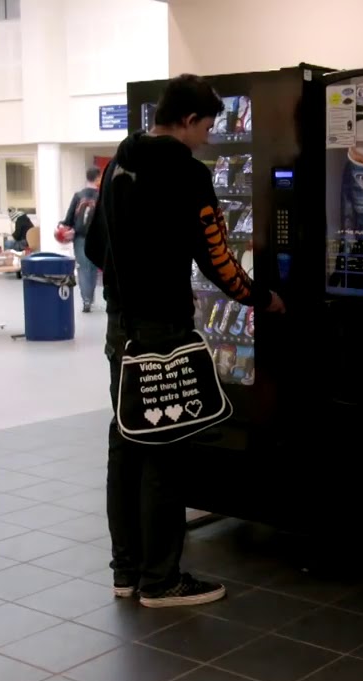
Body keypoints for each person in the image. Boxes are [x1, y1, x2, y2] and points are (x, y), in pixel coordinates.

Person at [85, 74, 285, 608]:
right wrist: (262, 299)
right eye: (208, 127)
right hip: (164, 333)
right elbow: (217, 260)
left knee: (126, 444)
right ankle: (162, 580)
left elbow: (96, 248)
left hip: (121, 331)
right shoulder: (188, 173)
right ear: (190, 120)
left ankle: (127, 572)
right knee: (165, 453)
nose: (209, 137)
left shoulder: (118, 164)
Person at [61, 167, 102, 312]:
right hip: (96, 238)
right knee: (93, 268)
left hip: (79, 237)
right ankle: (90, 296)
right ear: (98, 178)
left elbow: (69, 218)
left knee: (83, 269)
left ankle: (86, 300)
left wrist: (64, 227)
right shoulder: (101, 196)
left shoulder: (78, 196)